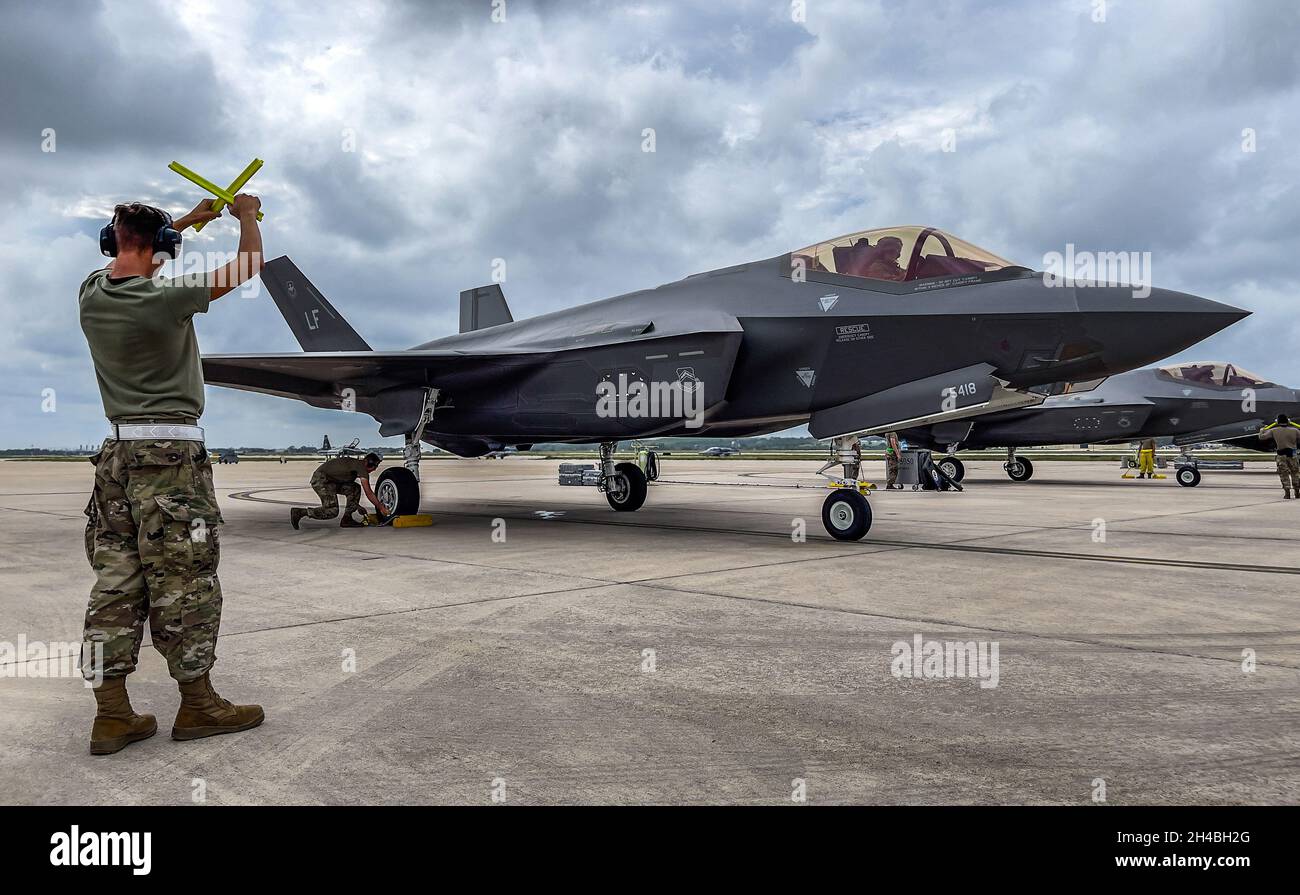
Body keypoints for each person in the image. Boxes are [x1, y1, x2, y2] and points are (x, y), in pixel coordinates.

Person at [79, 195, 266, 754]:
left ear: (110, 243)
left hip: (115, 458)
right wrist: (247, 218)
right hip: (171, 462)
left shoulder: (92, 293)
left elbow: (134, 254)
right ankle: (199, 705)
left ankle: (112, 714)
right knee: (185, 579)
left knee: (114, 583)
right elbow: (248, 267)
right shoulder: (165, 298)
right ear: (162, 252)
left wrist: (183, 222)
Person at [292, 452, 387, 528]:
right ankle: (300, 512)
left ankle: (347, 519)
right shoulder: (361, 467)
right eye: (374, 466)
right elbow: (369, 492)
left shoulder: (357, 465)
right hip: (322, 480)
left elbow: (349, 489)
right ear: (367, 462)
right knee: (332, 511)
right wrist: (380, 506)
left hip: (330, 481)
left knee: (354, 488)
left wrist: (357, 506)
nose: (374, 469)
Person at [1259, 414, 1300, 499]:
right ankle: (1297, 492)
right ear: (1288, 421)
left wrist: (1262, 430)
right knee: (1295, 473)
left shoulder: (1274, 430)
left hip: (1281, 455)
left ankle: (1287, 492)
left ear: (1277, 421)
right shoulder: (1295, 430)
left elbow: (1262, 437)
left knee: (1283, 473)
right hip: (1292, 454)